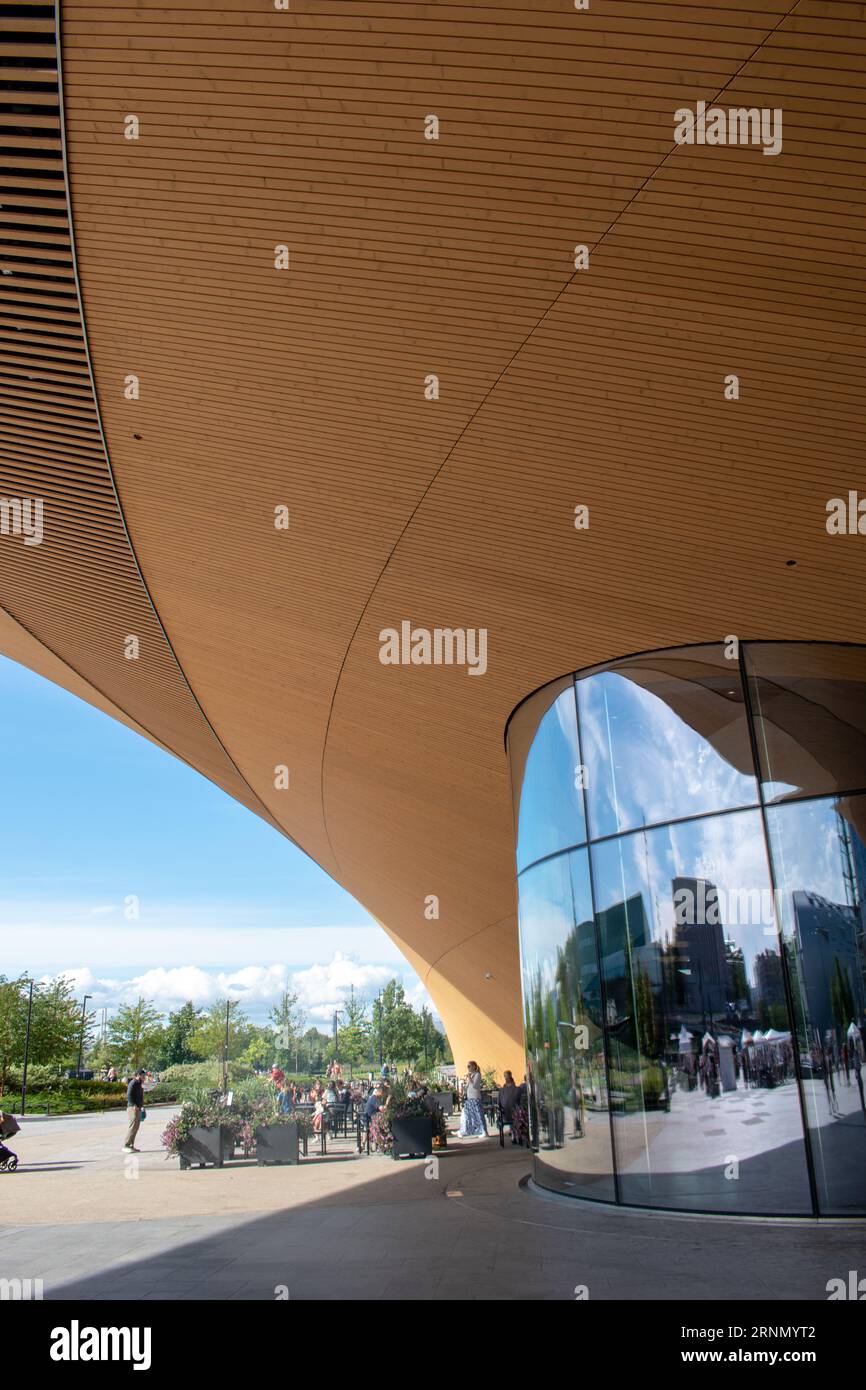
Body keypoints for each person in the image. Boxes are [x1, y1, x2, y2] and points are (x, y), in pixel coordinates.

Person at [458, 1061, 488, 1139]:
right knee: (468, 1115)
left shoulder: (477, 1075)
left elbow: (475, 1086)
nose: (468, 1068)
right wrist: (463, 1088)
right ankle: (465, 1130)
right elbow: (468, 1086)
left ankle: (484, 1130)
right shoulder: (470, 1076)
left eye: (469, 1066)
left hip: (475, 1098)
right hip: (469, 1098)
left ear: (474, 1067)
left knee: (478, 1115)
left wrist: (470, 1078)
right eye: (467, 1066)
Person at [122, 1069, 146, 1153]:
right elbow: (129, 1094)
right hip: (132, 1108)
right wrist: (134, 1105)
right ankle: (126, 1145)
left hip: (138, 1107)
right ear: (138, 1075)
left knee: (136, 1127)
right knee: (133, 1126)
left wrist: (142, 1106)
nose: (144, 1077)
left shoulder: (139, 1084)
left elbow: (139, 1096)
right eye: (143, 1075)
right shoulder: (134, 1082)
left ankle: (131, 1145)